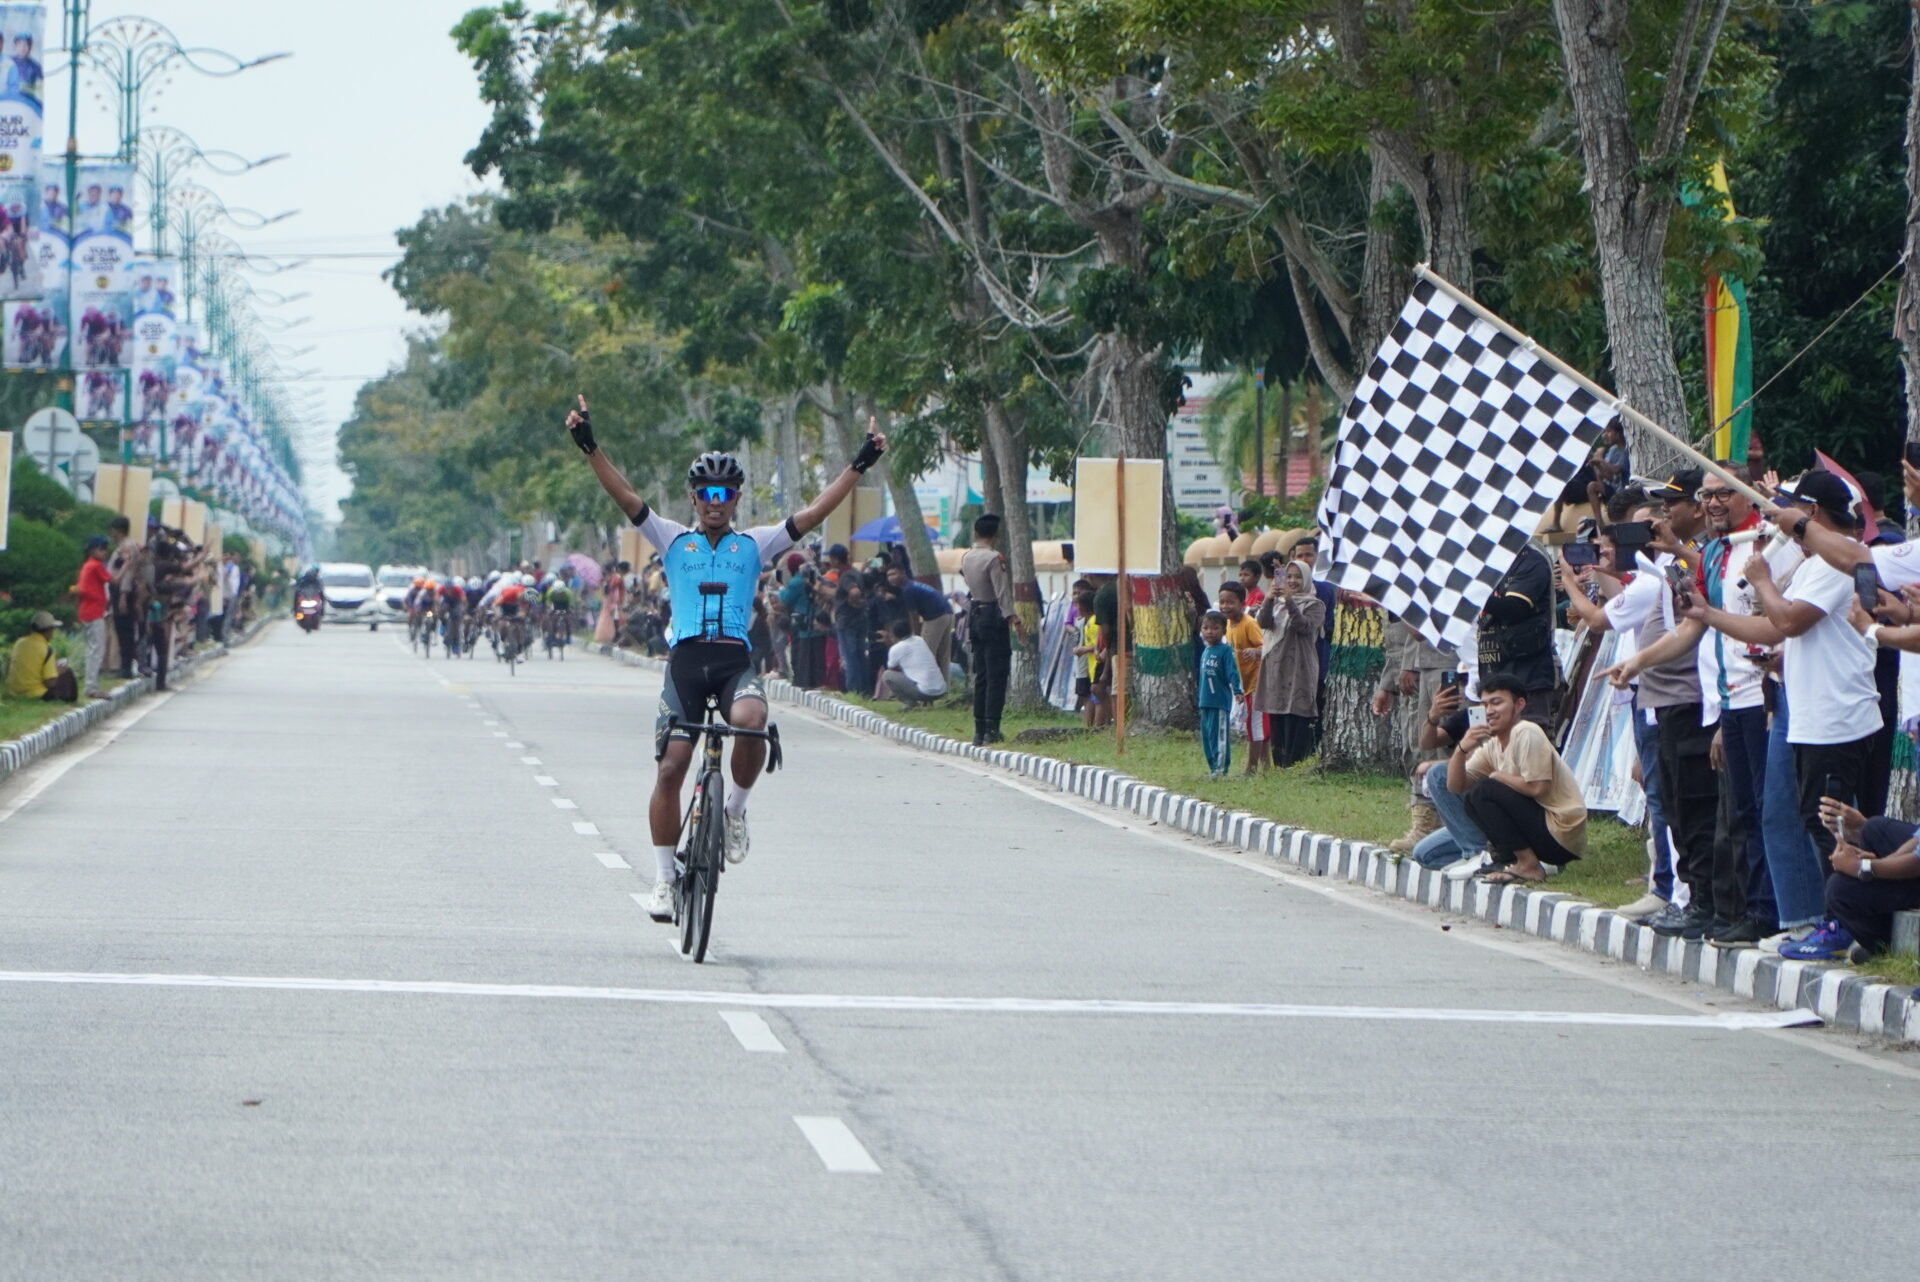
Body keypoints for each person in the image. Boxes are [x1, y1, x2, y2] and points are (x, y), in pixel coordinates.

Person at [566, 392, 882, 920]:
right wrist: (589, 447)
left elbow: (815, 511)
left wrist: (859, 465)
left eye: (725, 493)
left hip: (734, 663)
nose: (715, 500)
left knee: (754, 721)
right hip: (686, 665)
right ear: (694, 498)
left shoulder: (754, 544)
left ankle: (734, 810)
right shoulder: (671, 540)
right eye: (706, 492)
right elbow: (626, 497)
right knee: (673, 768)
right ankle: (665, 880)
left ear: (736, 500)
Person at [1684, 470, 1879, 962]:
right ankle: (1831, 918)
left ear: (1810, 514)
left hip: (1839, 716)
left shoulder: (1837, 562)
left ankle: (1849, 923)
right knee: (1813, 819)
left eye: (1790, 509)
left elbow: (1787, 618)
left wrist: (1763, 580)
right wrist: (1708, 615)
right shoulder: (1816, 564)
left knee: (1830, 825)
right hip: (1813, 716)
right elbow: (1773, 629)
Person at [1447, 676, 1586, 884]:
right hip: (1540, 831)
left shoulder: (1526, 731)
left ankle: (1529, 865)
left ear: (1519, 704)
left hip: (1560, 832)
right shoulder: (1493, 744)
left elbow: (1538, 788)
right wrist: (1462, 749)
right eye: (1484, 705)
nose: (1489, 711)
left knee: (1486, 790)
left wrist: (1497, 776)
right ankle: (1511, 861)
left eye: (1497, 702)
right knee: (1472, 798)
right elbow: (1456, 786)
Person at [961, 513, 1029, 746]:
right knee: (997, 674)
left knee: (981, 674)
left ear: (976, 533)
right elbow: (1002, 593)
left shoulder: (966, 557)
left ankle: (979, 729)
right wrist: (1015, 620)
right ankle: (992, 728)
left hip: (975, 615)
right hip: (993, 617)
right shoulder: (994, 558)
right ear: (995, 535)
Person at [1255, 561, 1325, 768]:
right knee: (1276, 714)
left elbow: (1303, 626)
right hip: (1276, 667)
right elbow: (1264, 622)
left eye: (1298, 577)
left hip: (1299, 667)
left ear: (1306, 580)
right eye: (1289, 576)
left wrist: (1289, 601)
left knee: (1296, 714)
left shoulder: (1315, 604)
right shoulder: (1277, 605)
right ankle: (1279, 764)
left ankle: (1295, 763)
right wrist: (1269, 598)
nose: (1292, 581)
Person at [1217, 582, 1264, 773]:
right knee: (1245, 726)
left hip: (1254, 683)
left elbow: (1266, 647)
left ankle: (1251, 768)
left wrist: (1255, 652)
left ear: (1242, 603)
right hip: (1239, 684)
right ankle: (1258, 764)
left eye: (1230, 602)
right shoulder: (1227, 624)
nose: (1225, 606)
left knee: (1255, 727)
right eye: (1222, 602)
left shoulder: (1249, 624)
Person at [883, 563, 955, 681]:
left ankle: (925, 686)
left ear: (902, 573)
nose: (891, 578)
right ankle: (943, 689)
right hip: (948, 613)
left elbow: (913, 615)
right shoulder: (913, 585)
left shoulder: (908, 590)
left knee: (925, 652)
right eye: (888, 575)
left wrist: (915, 636)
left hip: (935, 617)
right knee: (943, 653)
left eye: (894, 574)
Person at [1195, 610, 1241, 777]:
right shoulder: (1206, 651)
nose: (1209, 632)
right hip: (1205, 701)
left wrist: (1237, 690)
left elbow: (1232, 672)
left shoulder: (1225, 651)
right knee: (1207, 736)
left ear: (1223, 630)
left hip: (1219, 702)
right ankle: (1213, 766)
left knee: (1219, 735)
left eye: (1214, 628)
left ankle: (1221, 769)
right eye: (1205, 628)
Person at [70, 535, 112, 699]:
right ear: (93, 550)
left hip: (87, 611)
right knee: (97, 650)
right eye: (102, 549)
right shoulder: (96, 566)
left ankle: (91, 685)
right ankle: (91, 687)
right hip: (94, 612)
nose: (105, 552)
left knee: (91, 650)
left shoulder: (87, 566)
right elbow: (112, 580)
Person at [6, 612, 76, 703]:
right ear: (49, 631)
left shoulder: (20, 643)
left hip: (15, 692)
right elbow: (50, 682)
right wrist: (57, 671)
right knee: (67, 672)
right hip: (36, 694)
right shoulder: (46, 649)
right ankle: (70, 701)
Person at [880, 618, 946, 708]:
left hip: (924, 692)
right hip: (941, 689)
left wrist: (888, 643)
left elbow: (891, 667)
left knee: (887, 675)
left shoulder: (896, 648)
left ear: (894, 634)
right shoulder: (919, 640)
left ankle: (909, 703)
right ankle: (928, 703)